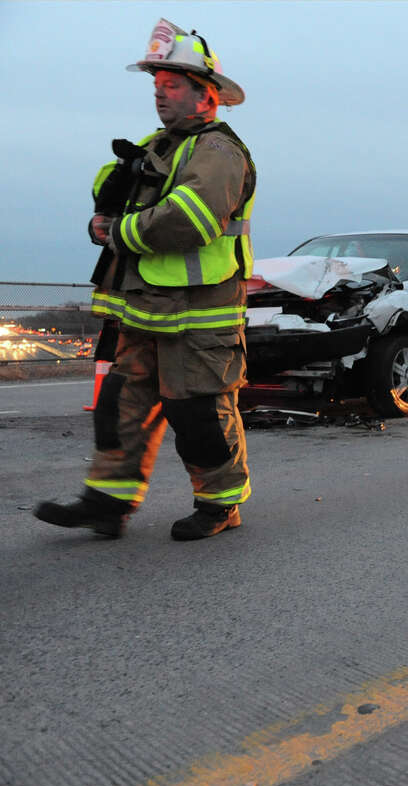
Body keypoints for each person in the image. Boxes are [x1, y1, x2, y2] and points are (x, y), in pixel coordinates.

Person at [35, 19, 256, 541]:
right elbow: (116, 200)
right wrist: (105, 209)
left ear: (207, 96)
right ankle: (108, 503)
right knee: (121, 406)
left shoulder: (218, 151)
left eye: (172, 84)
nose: (160, 95)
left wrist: (117, 231)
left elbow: (192, 219)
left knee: (197, 412)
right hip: (145, 310)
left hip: (199, 315)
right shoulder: (156, 145)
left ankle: (220, 505)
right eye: (156, 85)